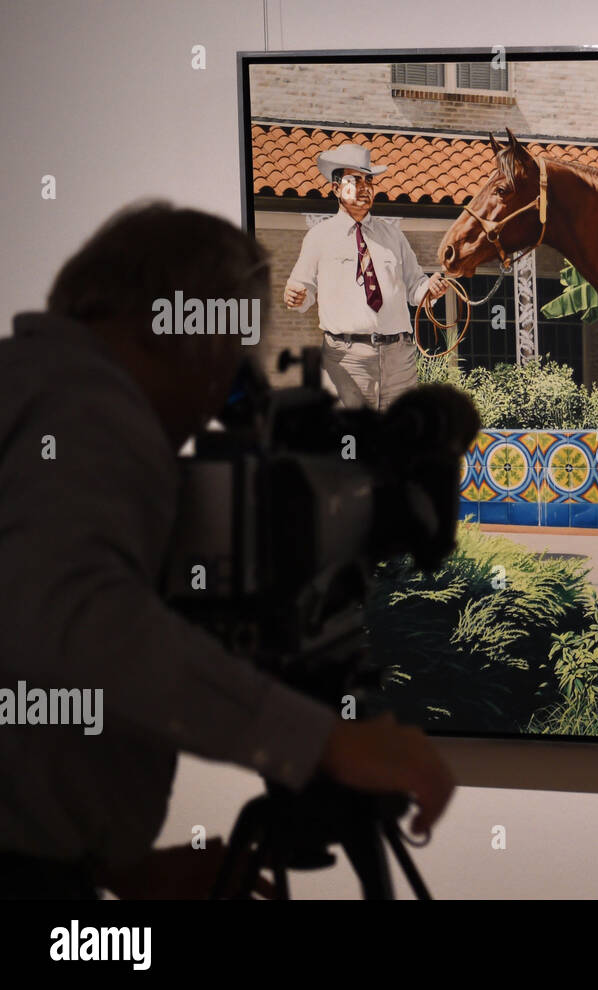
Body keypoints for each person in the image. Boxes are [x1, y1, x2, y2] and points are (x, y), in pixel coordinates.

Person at [0, 201, 456, 899]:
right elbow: (76, 619)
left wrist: (125, 871)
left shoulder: (33, 388)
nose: (228, 380)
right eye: (234, 342)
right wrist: (323, 742)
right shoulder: (91, 409)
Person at [285, 142, 451, 412]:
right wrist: (295, 295)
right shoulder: (319, 237)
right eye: (354, 181)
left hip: (399, 357)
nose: (364, 187)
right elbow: (301, 288)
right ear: (336, 188)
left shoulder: (393, 236)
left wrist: (430, 289)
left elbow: (415, 286)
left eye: (368, 180)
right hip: (346, 357)